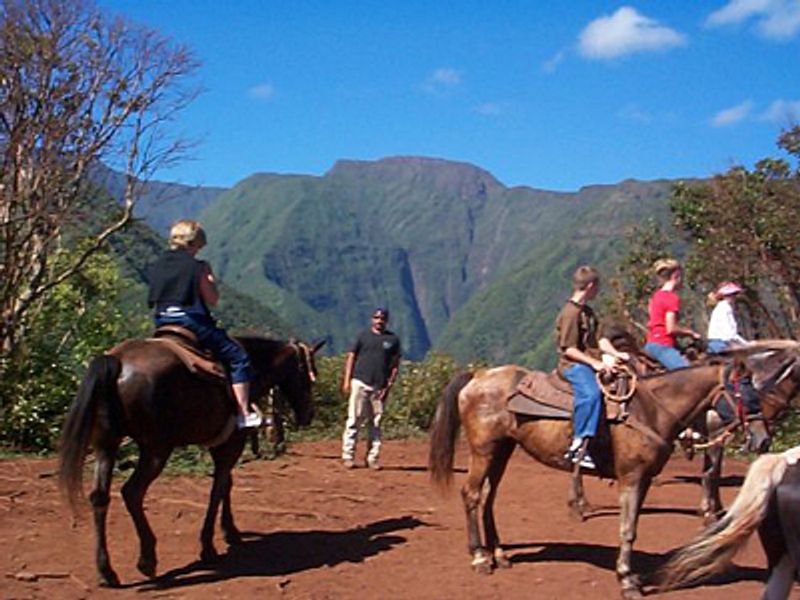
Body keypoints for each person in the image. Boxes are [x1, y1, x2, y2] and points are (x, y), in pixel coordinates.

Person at [147, 219, 261, 429]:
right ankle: (243, 414)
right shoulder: (197, 267)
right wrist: (209, 278)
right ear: (192, 243)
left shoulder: (158, 264)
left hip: (162, 320)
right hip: (190, 321)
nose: (198, 251)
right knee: (238, 357)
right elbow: (212, 299)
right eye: (198, 246)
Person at [556, 266, 629, 470]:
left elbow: (599, 340)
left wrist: (617, 354)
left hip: (589, 360)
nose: (598, 290)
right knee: (591, 394)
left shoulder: (587, 312)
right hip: (573, 365)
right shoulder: (570, 314)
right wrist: (596, 364)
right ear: (590, 286)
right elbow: (569, 349)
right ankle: (578, 444)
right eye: (597, 286)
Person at [341, 307, 401, 470]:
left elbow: (395, 365)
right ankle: (348, 456)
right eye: (376, 317)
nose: (379, 321)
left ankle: (372, 458)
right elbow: (352, 357)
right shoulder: (363, 336)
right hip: (360, 382)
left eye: (382, 318)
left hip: (379, 387)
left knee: (375, 423)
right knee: (354, 419)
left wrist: (388, 386)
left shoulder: (393, 340)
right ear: (372, 319)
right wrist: (347, 380)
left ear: (386, 320)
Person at [707, 281, 762, 420]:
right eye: (732, 295)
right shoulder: (725, 308)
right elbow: (729, 335)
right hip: (722, 345)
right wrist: (748, 345)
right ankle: (747, 403)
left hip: (719, 344)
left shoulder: (723, 308)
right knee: (743, 371)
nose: (733, 297)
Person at [644, 258, 702, 370]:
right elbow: (671, 329)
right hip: (663, 344)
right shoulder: (671, 298)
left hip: (651, 343)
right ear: (676, 275)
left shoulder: (656, 296)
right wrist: (690, 333)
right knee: (689, 373)